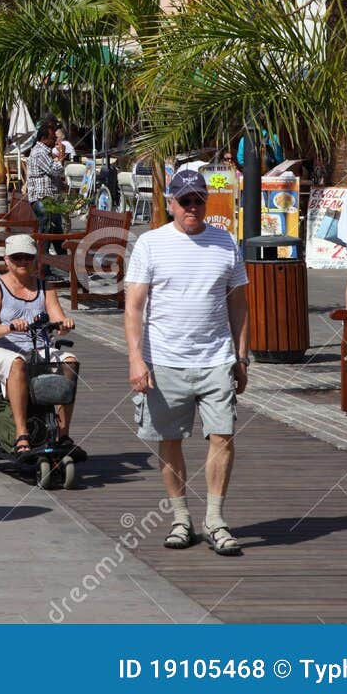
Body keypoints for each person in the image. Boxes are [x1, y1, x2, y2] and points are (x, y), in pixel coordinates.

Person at [123, 169, 249, 557]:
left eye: (198, 200)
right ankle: (181, 518)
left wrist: (242, 356)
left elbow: (239, 302)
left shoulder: (226, 242)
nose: (192, 207)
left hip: (216, 359)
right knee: (169, 440)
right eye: (185, 200)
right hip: (165, 360)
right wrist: (136, 358)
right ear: (171, 204)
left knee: (222, 436)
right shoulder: (150, 244)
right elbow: (134, 306)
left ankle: (215, 519)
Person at [0, 233, 83, 458]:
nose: (23, 262)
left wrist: (65, 325)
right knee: (17, 362)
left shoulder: (46, 287)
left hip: (37, 348)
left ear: (35, 258)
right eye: (17, 258)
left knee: (71, 362)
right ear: (7, 260)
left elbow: (58, 321)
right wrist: (11, 327)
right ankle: (21, 434)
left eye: (27, 257)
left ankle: (62, 434)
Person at [27, 121, 68, 252]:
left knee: (56, 232)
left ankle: (63, 263)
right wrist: (61, 157)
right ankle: (42, 267)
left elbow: (51, 174)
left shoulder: (44, 152)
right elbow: (55, 170)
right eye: (53, 138)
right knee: (46, 232)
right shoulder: (39, 152)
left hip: (49, 199)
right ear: (44, 139)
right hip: (42, 199)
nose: (56, 140)